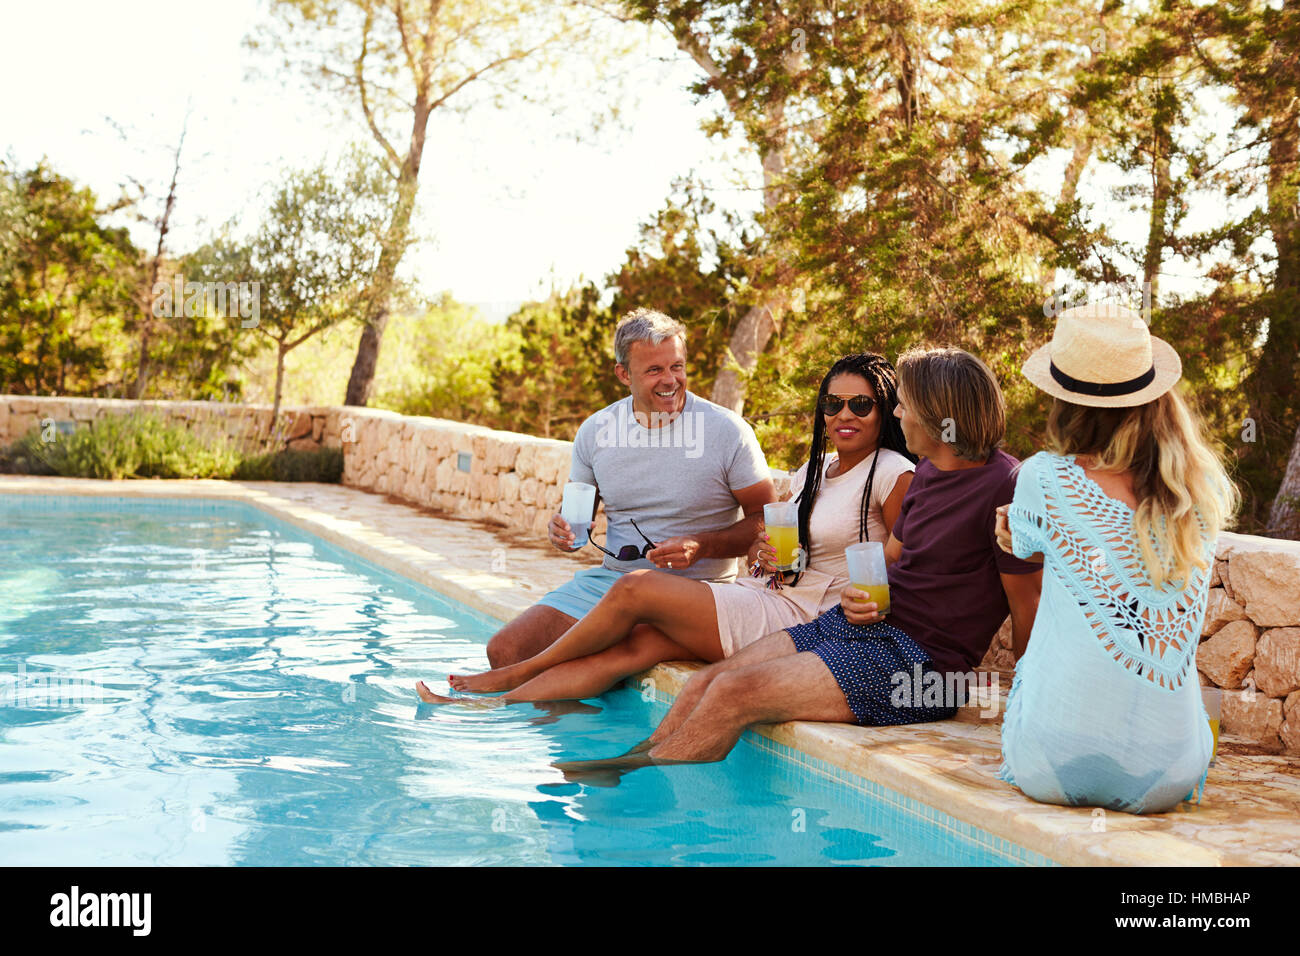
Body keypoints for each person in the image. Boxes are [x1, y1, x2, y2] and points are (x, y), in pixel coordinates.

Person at [554, 347, 1043, 780]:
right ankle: (632, 761)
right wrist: (858, 593)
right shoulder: (930, 472)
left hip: (921, 666)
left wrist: (1027, 710)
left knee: (734, 694)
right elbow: (892, 561)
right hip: (861, 629)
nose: (898, 413)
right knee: (710, 679)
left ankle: (637, 778)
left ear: (939, 413)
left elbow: (1029, 606)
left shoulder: (1007, 485)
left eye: (905, 404)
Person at [416, 353, 916, 704]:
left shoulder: (893, 472)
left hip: (807, 615)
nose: (843, 414)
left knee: (634, 591)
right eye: (833, 404)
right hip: (773, 591)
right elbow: (787, 541)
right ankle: (497, 704)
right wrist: (772, 554)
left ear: (885, 410)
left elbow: (908, 564)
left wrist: (872, 607)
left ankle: (511, 676)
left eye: (860, 404)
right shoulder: (817, 468)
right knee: (636, 647)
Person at [994, 303, 1238, 814]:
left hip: (1054, 762)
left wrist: (1011, 528)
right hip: (1170, 772)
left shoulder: (1043, 477)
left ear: (1066, 402)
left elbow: (1022, 546)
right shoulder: (1201, 489)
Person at [450, 307, 775, 674]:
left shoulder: (727, 431)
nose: (670, 380)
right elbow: (577, 521)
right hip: (612, 585)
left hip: (699, 591)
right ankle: (562, 731)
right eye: (654, 370)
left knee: (578, 663)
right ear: (623, 374)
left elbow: (765, 520)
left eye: (677, 367)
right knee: (505, 650)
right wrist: (564, 531)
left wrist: (703, 545)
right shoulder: (596, 431)